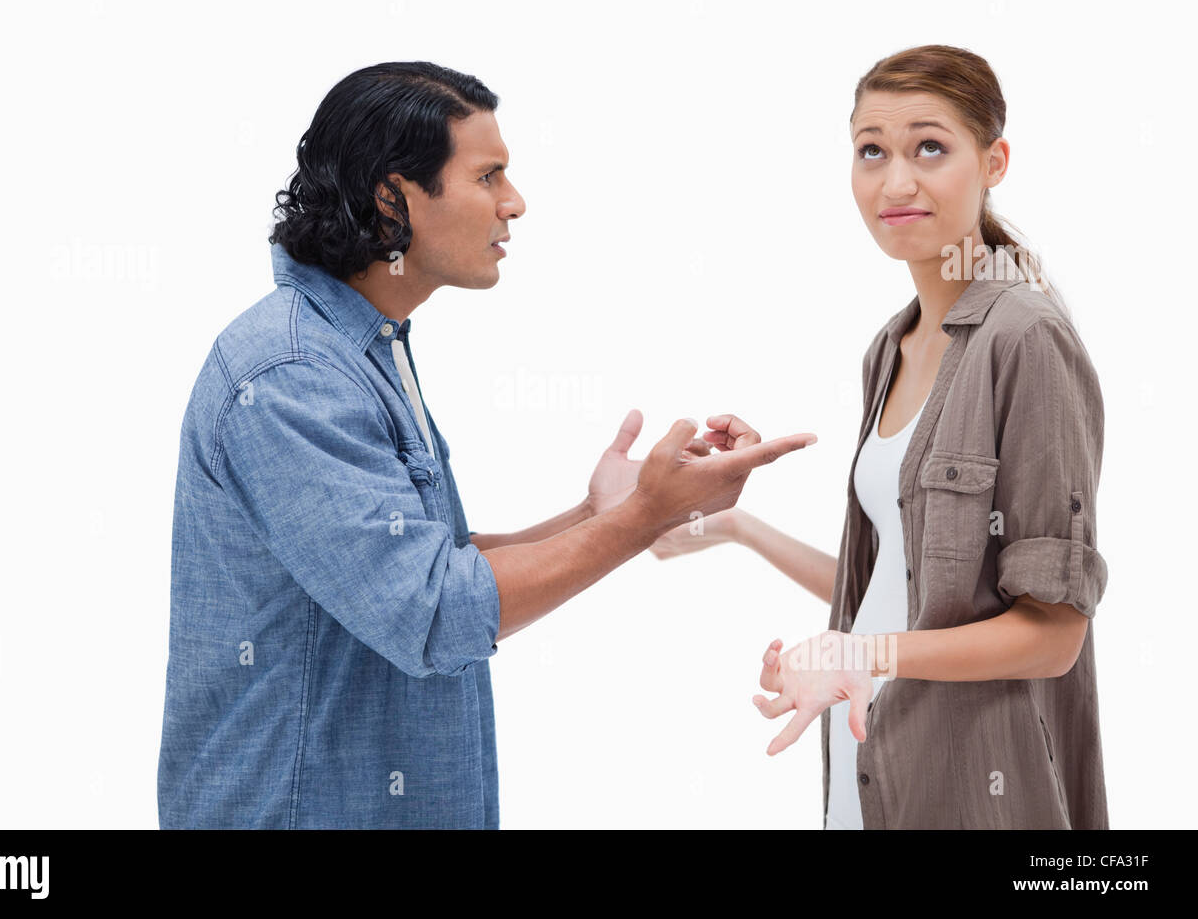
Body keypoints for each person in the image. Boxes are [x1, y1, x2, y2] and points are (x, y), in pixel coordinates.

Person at [155, 61, 816, 829]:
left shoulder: (361, 349)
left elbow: (429, 562)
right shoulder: (293, 374)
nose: (515, 202)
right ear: (391, 197)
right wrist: (639, 520)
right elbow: (434, 611)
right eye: (488, 176)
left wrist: (611, 510)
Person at [655, 45, 1108, 829]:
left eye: (930, 147)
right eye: (872, 151)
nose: (895, 182)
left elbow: (1051, 635)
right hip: (870, 777)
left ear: (993, 160)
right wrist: (731, 525)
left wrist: (859, 654)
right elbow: (906, 592)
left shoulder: (1025, 339)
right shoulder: (890, 346)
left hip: (972, 790)